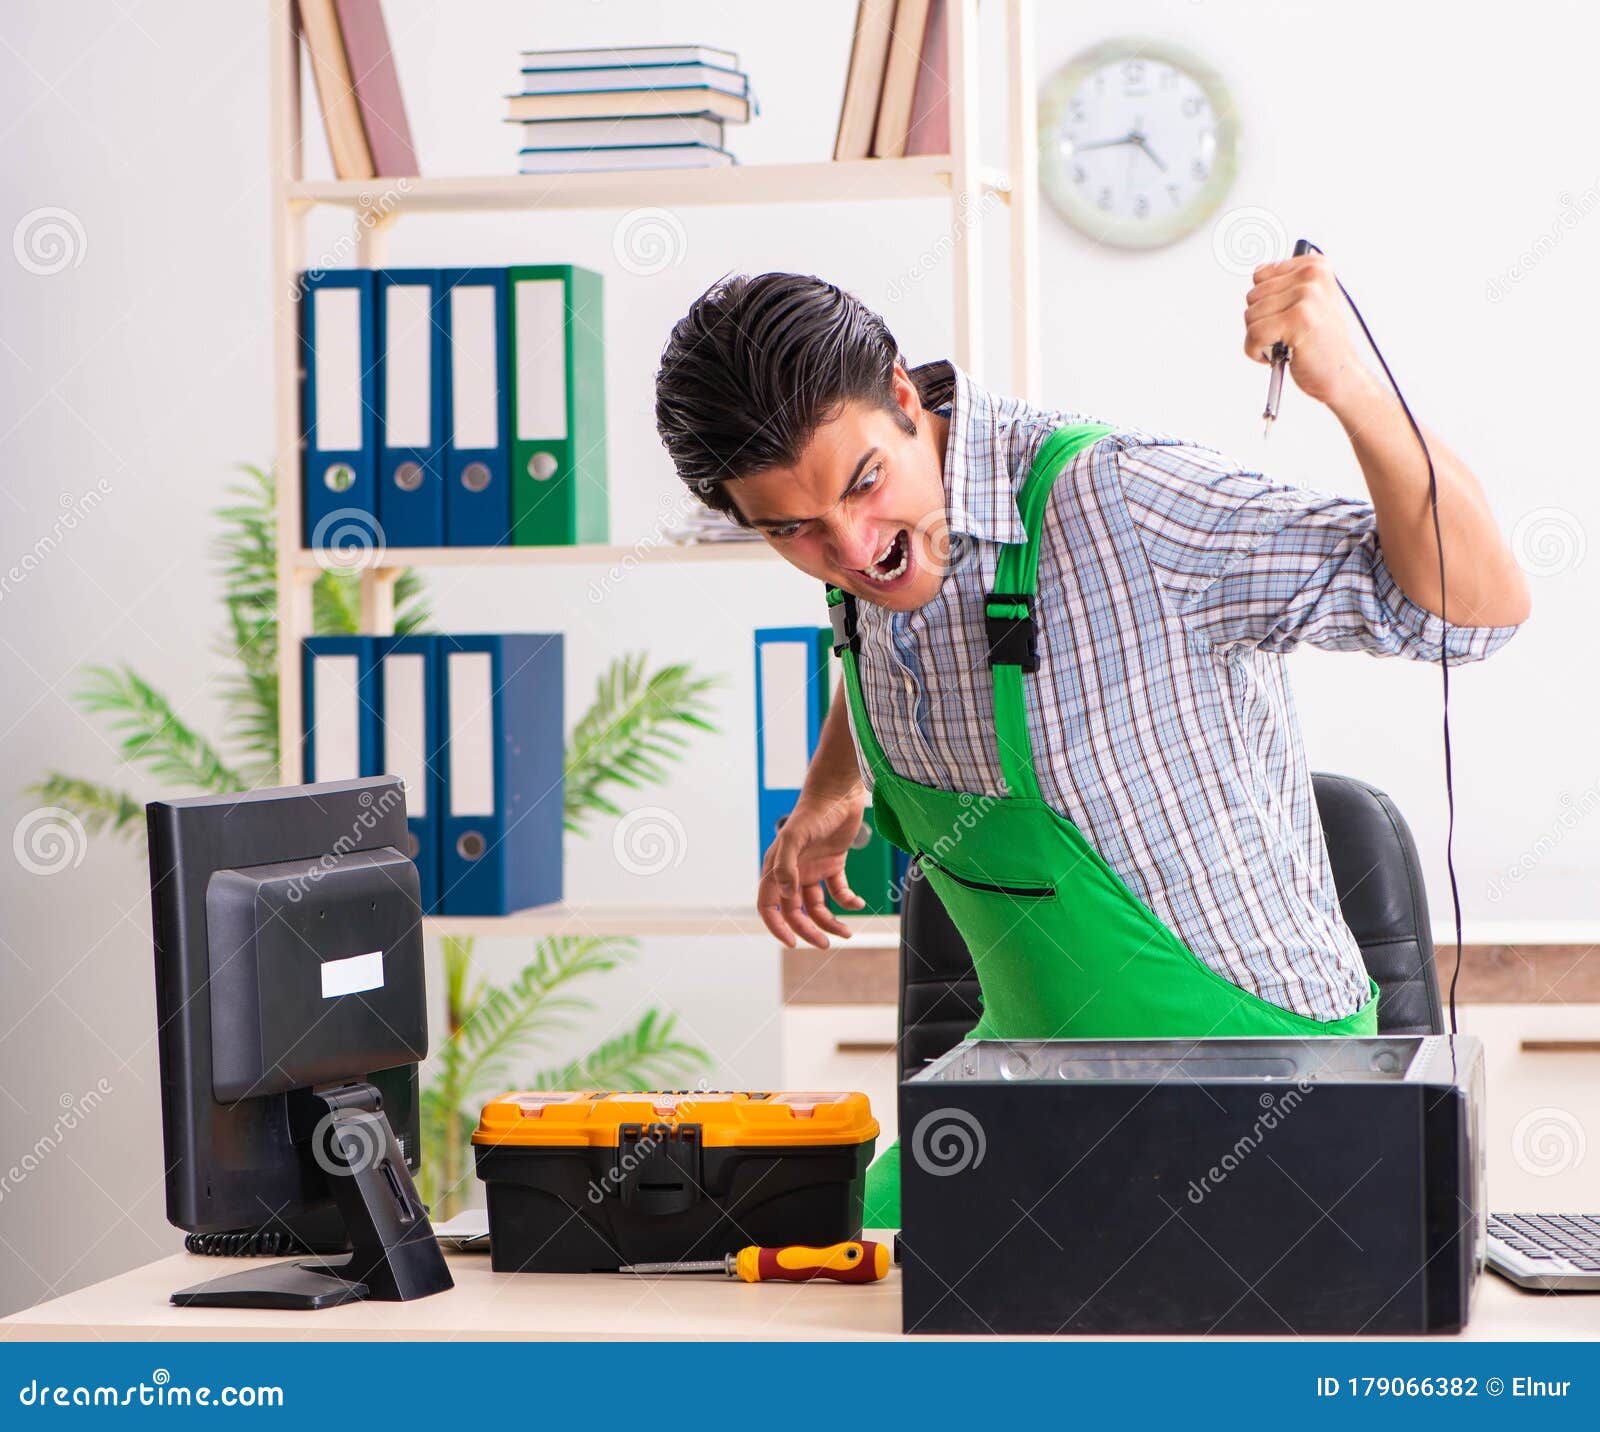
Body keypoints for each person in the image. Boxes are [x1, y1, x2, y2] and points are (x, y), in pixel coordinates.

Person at [653, 259, 1530, 1227]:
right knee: (797, 1269)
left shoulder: (1121, 506)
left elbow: (1472, 614)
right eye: (796, 530)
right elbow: (878, 637)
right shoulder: (867, 557)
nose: (856, 549)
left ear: (904, 397)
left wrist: (1355, 386)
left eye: (865, 486)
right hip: (1028, 1091)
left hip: (1268, 1094)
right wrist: (833, 781)